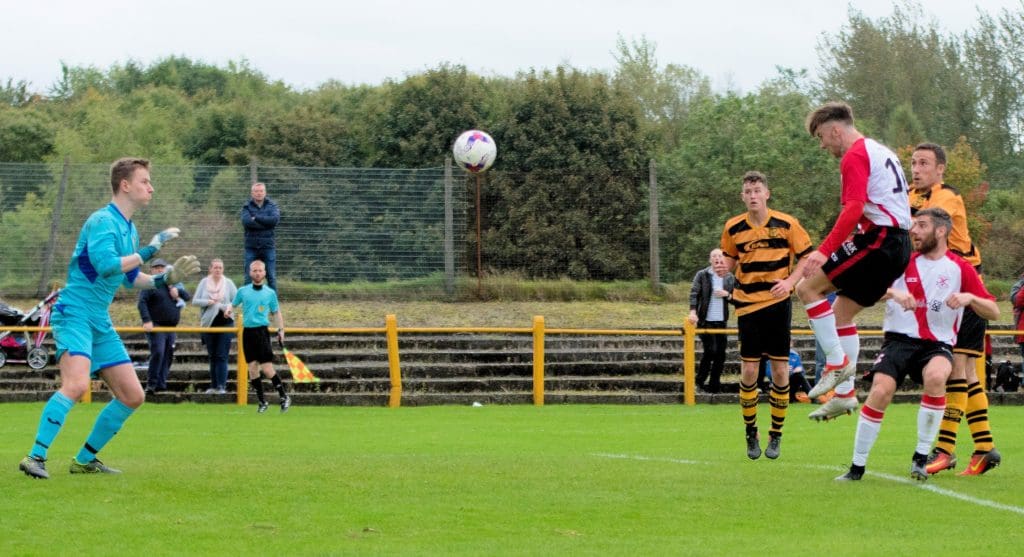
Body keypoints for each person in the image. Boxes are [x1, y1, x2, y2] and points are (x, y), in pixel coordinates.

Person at [18, 157, 199, 479]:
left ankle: (85, 460)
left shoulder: (128, 229)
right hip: (74, 312)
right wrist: (150, 249)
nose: (151, 187)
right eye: (145, 181)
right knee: (75, 385)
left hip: (98, 320)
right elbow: (106, 265)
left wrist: (165, 280)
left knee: (133, 395)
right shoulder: (102, 220)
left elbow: (130, 279)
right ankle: (35, 457)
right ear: (125, 185)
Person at [835, 207, 998, 481]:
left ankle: (921, 458)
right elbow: (869, 291)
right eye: (914, 226)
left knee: (937, 376)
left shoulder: (961, 268)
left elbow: (993, 311)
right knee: (881, 390)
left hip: (936, 345)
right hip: (898, 341)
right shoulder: (900, 262)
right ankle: (857, 467)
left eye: (921, 226)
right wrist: (893, 293)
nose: (914, 231)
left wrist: (970, 298)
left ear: (941, 231)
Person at [795, 102, 912, 421]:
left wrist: (825, 249)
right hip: (898, 245)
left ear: (836, 130)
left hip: (880, 241)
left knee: (807, 289)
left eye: (821, 137)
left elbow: (853, 207)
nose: (822, 145)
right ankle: (845, 396)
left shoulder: (855, 155)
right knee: (841, 315)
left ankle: (835, 364)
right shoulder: (881, 151)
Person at [906, 143, 1000, 476]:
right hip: (944, 282)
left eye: (924, 163)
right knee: (967, 372)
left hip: (964, 281)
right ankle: (985, 447)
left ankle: (945, 449)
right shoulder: (912, 196)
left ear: (940, 169)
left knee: (957, 367)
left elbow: (922, 224)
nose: (916, 169)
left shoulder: (945, 195)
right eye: (913, 163)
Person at [720, 171, 814, 460]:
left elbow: (808, 257)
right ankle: (751, 432)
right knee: (749, 371)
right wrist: (723, 268)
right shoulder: (734, 227)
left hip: (777, 304)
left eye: (757, 190)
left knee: (781, 371)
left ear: (766, 194)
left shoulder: (787, 223)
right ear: (742, 196)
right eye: (747, 191)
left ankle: (776, 434)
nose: (752, 195)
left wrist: (790, 282)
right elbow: (729, 260)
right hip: (747, 305)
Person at [233, 259, 291, 413]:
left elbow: (276, 312)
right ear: (250, 272)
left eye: (260, 270)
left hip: (262, 332)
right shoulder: (242, 291)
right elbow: (232, 305)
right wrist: (227, 310)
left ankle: (284, 396)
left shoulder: (270, 293)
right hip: (248, 333)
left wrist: (281, 329)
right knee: (252, 368)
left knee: (266, 367)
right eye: (254, 270)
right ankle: (262, 401)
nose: (257, 273)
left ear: (264, 273)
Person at [137, 258, 191, 394]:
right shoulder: (150, 284)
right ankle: (151, 385)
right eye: (156, 267)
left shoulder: (172, 283)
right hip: (156, 326)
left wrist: (177, 293)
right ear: (151, 270)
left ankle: (161, 384)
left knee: (168, 354)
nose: (160, 269)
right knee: (158, 352)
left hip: (171, 327)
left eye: (162, 267)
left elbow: (187, 297)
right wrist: (146, 320)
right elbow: (142, 303)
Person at [687, 248, 736, 393]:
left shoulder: (729, 277)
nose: (717, 258)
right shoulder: (702, 275)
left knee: (721, 354)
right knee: (710, 351)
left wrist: (726, 294)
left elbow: (736, 297)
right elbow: (694, 294)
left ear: (724, 259)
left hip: (721, 322)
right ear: (710, 260)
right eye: (714, 256)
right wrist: (692, 312)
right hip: (705, 321)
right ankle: (699, 382)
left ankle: (714, 385)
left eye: (720, 256)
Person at [193, 258, 238, 395]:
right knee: (212, 356)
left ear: (223, 270)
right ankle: (213, 386)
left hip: (226, 323)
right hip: (208, 324)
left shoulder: (228, 283)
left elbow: (237, 301)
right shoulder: (203, 283)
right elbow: (195, 301)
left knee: (221, 355)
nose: (218, 270)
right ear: (210, 269)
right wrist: (209, 302)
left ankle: (221, 387)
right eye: (215, 267)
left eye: (220, 268)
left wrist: (227, 308)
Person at [241, 181, 280, 291]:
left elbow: (274, 221)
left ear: (265, 192)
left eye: (261, 191)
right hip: (251, 247)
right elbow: (247, 222)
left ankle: (274, 306)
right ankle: (248, 303)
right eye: (256, 191)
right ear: (252, 193)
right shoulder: (246, 207)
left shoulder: (272, 206)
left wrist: (256, 218)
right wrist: (266, 224)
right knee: (248, 277)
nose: (259, 193)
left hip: (268, 247)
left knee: (271, 276)